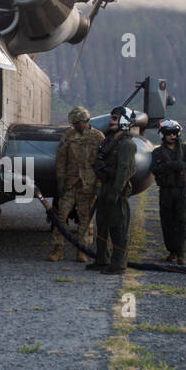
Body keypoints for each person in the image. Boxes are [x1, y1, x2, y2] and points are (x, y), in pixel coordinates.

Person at [48, 107, 105, 262]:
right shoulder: (68, 135)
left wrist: (99, 184)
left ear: (86, 121)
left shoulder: (98, 137)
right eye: (73, 124)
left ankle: (82, 251)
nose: (75, 126)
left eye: (78, 123)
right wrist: (60, 181)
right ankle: (58, 250)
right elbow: (61, 160)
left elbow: (102, 164)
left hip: (88, 185)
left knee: (85, 220)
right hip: (70, 184)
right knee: (61, 217)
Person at [85, 106, 138, 275]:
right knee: (102, 225)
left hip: (117, 190)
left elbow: (124, 171)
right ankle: (102, 259)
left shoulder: (127, 144)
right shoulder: (108, 140)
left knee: (118, 227)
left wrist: (116, 193)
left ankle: (118, 264)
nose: (111, 121)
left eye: (115, 118)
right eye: (111, 118)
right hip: (105, 187)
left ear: (124, 120)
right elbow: (99, 161)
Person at [150, 118, 186, 263]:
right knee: (167, 222)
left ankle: (181, 252)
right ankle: (172, 252)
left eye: (174, 133)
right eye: (169, 133)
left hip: (182, 190)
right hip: (166, 191)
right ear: (163, 134)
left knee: (183, 221)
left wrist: (178, 165)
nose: (172, 136)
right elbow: (153, 168)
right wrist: (168, 166)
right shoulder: (157, 152)